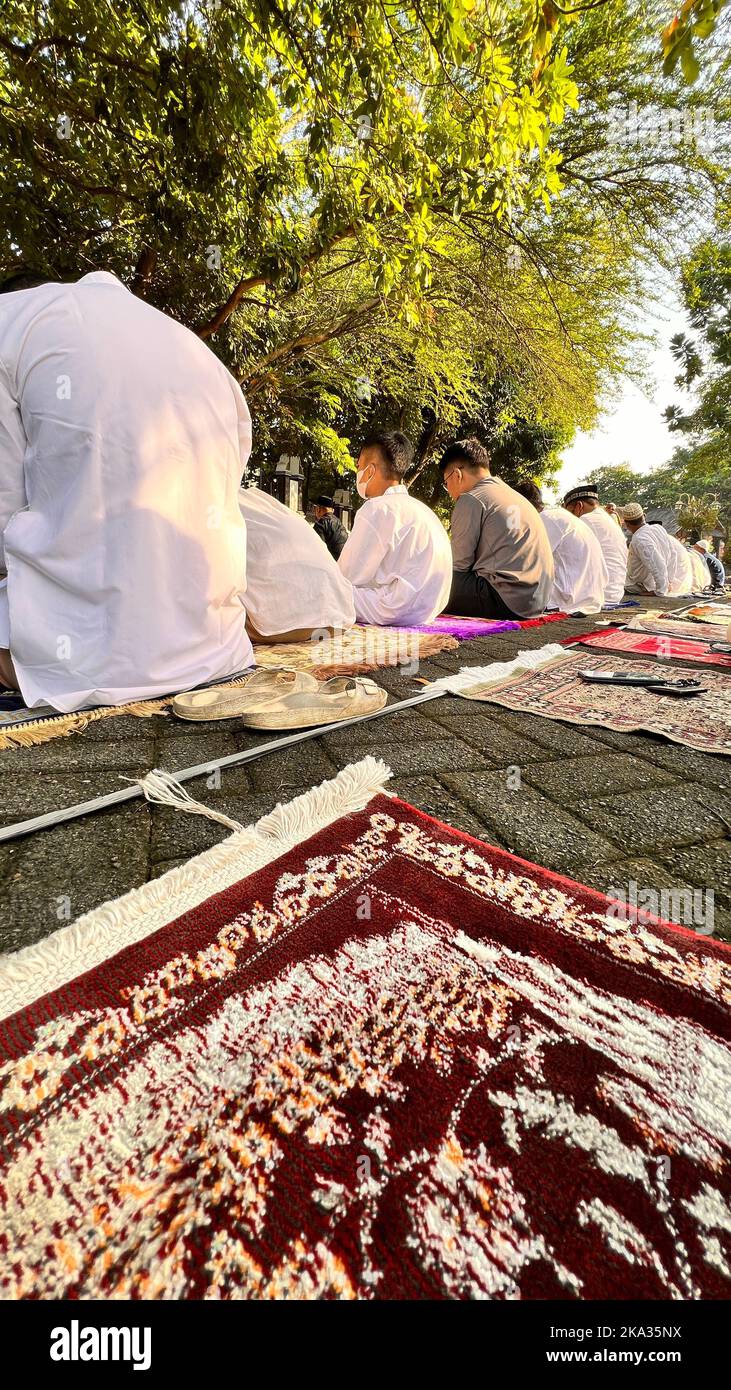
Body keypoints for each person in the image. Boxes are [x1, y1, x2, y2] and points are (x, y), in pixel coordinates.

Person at [0, 270, 254, 709]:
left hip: (71, 664)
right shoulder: (204, 357)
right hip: (217, 651)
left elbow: (3, 506)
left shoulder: (14, 318)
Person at [337, 431, 452, 625]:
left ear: (370, 470)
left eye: (359, 467)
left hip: (393, 609)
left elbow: (345, 576)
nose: (357, 473)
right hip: (428, 610)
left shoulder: (377, 508)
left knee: (326, 588)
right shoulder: (423, 511)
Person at [438, 438, 553, 618]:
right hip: (537, 601)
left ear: (456, 475)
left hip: (503, 599)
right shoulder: (514, 496)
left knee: (428, 579)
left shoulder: (471, 498)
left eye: (446, 484)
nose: (449, 492)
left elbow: (458, 566)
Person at [239, 485, 355, 640]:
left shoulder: (321, 524)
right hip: (339, 613)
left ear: (320, 510)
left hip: (275, 624)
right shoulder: (337, 523)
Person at [515, 482, 607, 614]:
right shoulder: (561, 517)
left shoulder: (545, 519)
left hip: (566, 604)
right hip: (588, 601)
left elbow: (526, 562)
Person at [563, 485, 628, 604]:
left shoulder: (585, 520)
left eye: (571, 513)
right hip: (614, 594)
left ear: (579, 507)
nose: (571, 517)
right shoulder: (608, 520)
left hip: (596, 597)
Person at [619, 504, 693, 596]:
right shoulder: (658, 528)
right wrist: (669, 580)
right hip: (658, 583)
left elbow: (657, 564)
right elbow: (672, 554)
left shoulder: (640, 539)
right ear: (644, 516)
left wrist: (660, 590)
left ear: (626, 524)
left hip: (643, 586)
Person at [312, 495, 348, 561]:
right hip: (344, 562)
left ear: (318, 509)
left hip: (331, 564)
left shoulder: (320, 524)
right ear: (332, 510)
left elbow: (317, 549)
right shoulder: (339, 522)